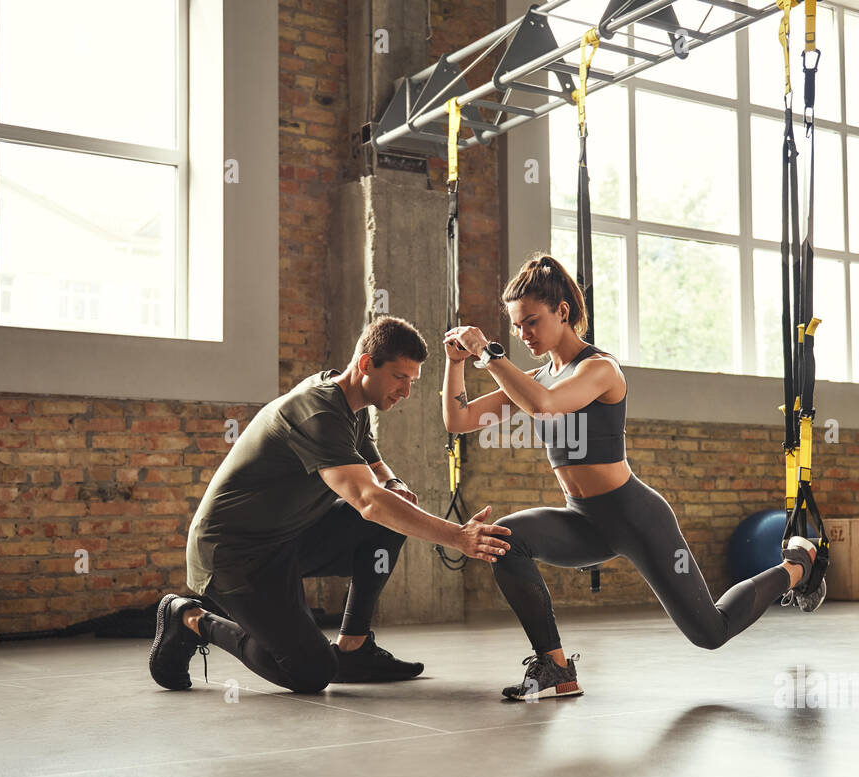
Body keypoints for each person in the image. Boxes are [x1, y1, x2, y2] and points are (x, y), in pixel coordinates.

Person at [441, 254, 822, 701]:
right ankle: (557, 669)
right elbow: (460, 420)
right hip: (583, 520)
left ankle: (799, 565)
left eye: (531, 322)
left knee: (711, 631)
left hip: (636, 517)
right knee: (504, 540)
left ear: (562, 311)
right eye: (517, 326)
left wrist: (488, 354)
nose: (523, 335)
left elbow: (545, 405)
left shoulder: (599, 369)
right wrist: (455, 363)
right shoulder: (534, 378)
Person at [149, 316, 512, 693]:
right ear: (367, 364)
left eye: (412, 381)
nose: (406, 392)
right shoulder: (319, 411)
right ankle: (189, 618)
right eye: (400, 378)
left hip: (286, 539)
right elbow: (368, 501)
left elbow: (373, 463)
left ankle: (353, 649)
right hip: (233, 554)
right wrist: (459, 537)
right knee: (310, 672)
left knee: (386, 521)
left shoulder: (351, 402)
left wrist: (393, 483)